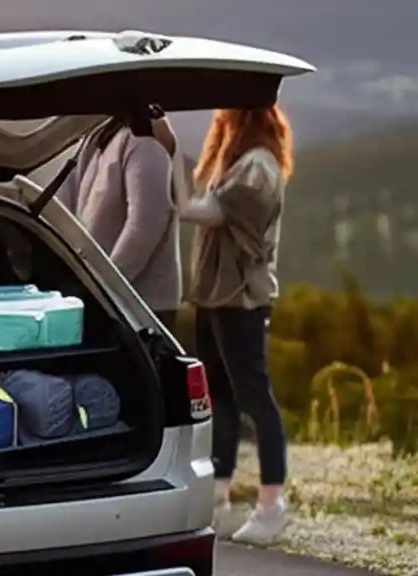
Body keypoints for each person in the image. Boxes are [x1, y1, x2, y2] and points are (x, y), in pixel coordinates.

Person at [175, 105, 293, 546]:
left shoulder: (257, 168)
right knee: (221, 395)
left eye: (226, 113)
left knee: (255, 400)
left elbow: (201, 211)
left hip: (241, 298)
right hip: (218, 296)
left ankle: (271, 505)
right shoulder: (243, 163)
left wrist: (168, 150)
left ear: (242, 118)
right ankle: (219, 498)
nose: (218, 120)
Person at [57, 114, 181, 328]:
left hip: (142, 303)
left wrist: (106, 284)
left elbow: (145, 225)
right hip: (104, 296)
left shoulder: (143, 141)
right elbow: (64, 202)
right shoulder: (97, 138)